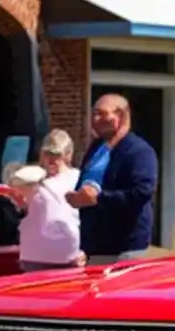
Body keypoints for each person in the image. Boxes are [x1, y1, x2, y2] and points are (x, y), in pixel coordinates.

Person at [66, 94, 159, 265]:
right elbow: (86, 184)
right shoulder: (96, 148)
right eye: (94, 113)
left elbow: (142, 192)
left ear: (121, 116)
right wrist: (76, 198)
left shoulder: (139, 151)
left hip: (125, 249)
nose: (96, 119)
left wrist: (98, 199)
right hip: (94, 247)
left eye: (102, 114)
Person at [12, 130, 83, 271]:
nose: (51, 160)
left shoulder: (78, 178)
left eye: (57, 155)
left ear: (68, 155)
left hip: (68, 255)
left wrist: (86, 249)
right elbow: (18, 206)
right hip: (34, 255)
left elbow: (89, 215)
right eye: (47, 154)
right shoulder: (30, 178)